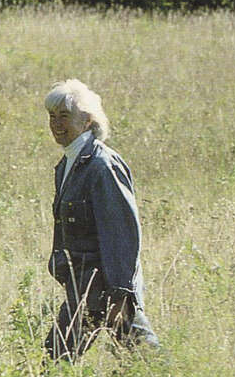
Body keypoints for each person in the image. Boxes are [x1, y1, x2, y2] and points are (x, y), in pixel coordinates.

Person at [43, 79, 160, 360]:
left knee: (145, 361)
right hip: (84, 288)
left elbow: (122, 234)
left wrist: (120, 294)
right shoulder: (69, 163)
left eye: (64, 116)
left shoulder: (101, 165)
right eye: (52, 116)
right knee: (57, 360)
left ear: (87, 121)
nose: (56, 124)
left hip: (106, 288)